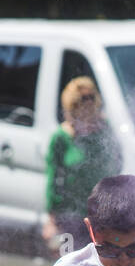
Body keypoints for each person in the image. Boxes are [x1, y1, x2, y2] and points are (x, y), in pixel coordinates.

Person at [42, 77, 121, 254]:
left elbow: (117, 165)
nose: (86, 108)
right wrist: (51, 219)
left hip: (100, 216)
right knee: (68, 263)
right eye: (80, 104)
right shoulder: (62, 137)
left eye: (90, 101)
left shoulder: (105, 132)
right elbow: (53, 180)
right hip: (69, 216)